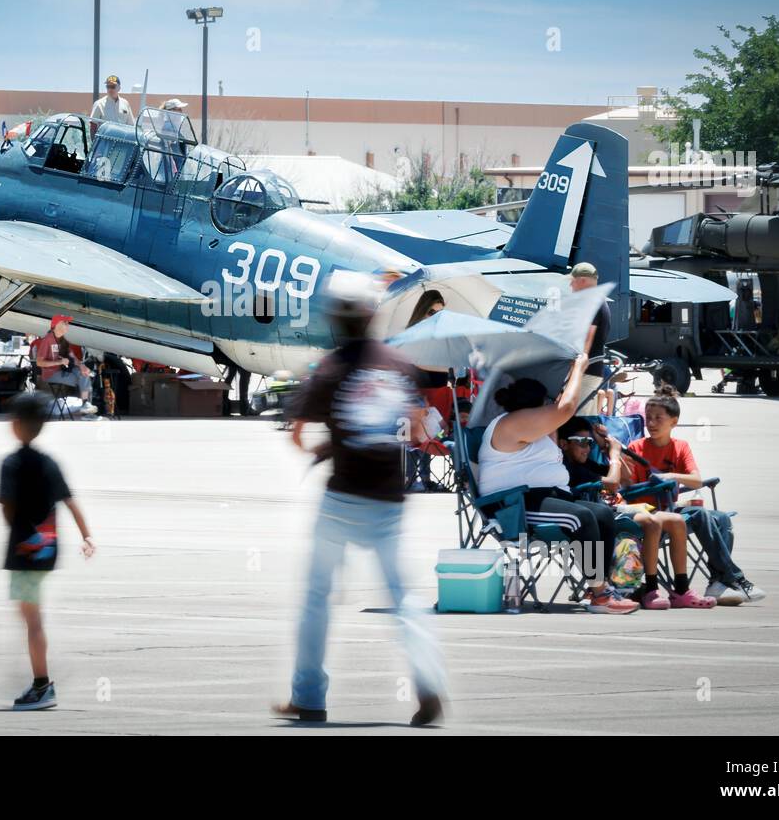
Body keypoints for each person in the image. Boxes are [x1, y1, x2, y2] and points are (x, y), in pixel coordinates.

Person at [273, 272, 447, 726]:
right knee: (403, 598)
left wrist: (327, 447)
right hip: (389, 499)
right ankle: (427, 682)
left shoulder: (328, 370)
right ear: (373, 316)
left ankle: (308, 696)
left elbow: (296, 437)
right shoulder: (398, 365)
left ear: (335, 319)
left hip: (341, 500)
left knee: (316, 597)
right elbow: (418, 428)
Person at [476, 355, 639, 614]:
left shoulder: (536, 429)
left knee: (604, 514)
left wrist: (597, 436)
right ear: (533, 408)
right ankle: (600, 594)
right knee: (582, 517)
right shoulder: (510, 424)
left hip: (549, 497)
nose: (549, 409)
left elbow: (562, 410)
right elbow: (565, 408)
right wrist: (579, 369)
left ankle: (599, 585)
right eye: (545, 405)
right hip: (515, 504)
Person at [624, 386, 765, 605]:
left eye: (658, 418)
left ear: (674, 421)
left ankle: (718, 581)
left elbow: (696, 480)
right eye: (648, 418)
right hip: (649, 513)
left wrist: (670, 476)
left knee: (722, 518)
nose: (651, 423)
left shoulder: (680, 447)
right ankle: (733, 577)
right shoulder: (636, 448)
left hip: (671, 509)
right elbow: (628, 490)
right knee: (700, 514)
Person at [0, 392, 95, 710]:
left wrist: (16, 530)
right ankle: (40, 682)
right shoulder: (49, 462)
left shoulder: (11, 463)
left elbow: (8, 509)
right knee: (31, 615)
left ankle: (42, 685)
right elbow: (70, 501)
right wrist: (87, 536)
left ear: (16, 426)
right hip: (47, 547)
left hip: (25, 548)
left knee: (33, 620)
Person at [558, 417, 715, 610]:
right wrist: (615, 456)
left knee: (676, 520)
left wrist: (607, 448)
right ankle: (651, 589)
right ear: (564, 444)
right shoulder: (569, 467)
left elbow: (625, 477)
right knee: (651, 522)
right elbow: (613, 482)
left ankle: (681, 590)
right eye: (581, 442)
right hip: (598, 516)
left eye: (589, 442)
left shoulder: (586, 463)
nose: (587, 447)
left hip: (614, 509)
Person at [569, 263, 612, 415]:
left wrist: (579, 364)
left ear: (582, 281)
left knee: (579, 422)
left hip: (586, 372)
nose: (570, 285)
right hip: (591, 371)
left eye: (572, 280)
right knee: (587, 421)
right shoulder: (600, 301)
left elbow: (588, 336)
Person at [30, 315, 93, 409]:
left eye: (68, 323)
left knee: (84, 375)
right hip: (51, 374)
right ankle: (86, 406)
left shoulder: (63, 340)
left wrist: (81, 366)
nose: (68, 325)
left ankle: (86, 405)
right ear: (57, 325)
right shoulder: (47, 340)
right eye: (65, 323)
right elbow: (39, 362)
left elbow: (72, 356)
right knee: (84, 380)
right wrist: (59, 362)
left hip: (62, 371)